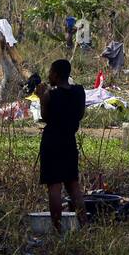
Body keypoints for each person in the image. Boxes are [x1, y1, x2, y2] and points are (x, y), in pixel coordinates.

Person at [35, 59, 87, 232]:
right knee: (73, 186)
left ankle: (57, 229)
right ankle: (83, 224)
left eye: (50, 72)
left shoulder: (51, 95)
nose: (48, 75)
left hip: (52, 143)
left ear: (56, 75)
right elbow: (79, 115)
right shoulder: (79, 92)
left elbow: (46, 117)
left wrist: (43, 98)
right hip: (69, 142)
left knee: (54, 187)